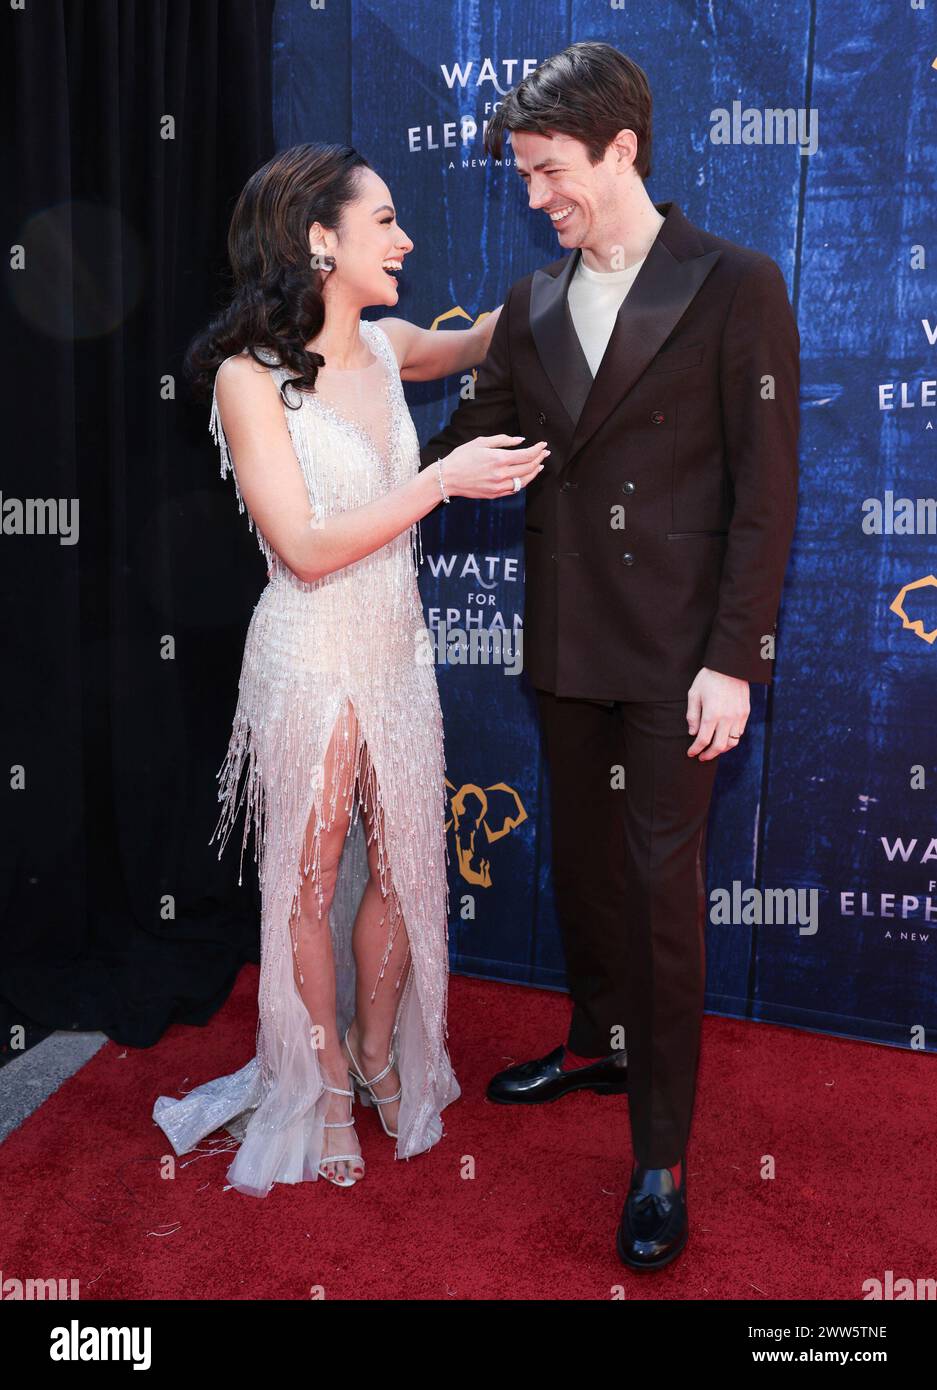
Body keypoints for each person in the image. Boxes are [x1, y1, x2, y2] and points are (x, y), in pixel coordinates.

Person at [420, 42, 800, 1267]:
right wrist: (336, 409)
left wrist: (734, 659)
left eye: (549, 171)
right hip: (569, 646)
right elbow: (468, 446)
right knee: (583, 872)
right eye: (525, 176)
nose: (534, 197)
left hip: (680, 660)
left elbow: (765, 492)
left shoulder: (736, 281)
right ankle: (595, 1043)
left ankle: (659, 1151)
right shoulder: (529, 306)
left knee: (658, 900)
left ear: (623, 147)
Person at [151, 142, 548, 1196]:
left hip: (396, 653)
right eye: (386, 222)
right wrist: (445, 480)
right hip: (312, 652)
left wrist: (593, 249)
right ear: (320, 240)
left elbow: (495, 337)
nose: (407, 240)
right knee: (313, 874)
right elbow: (306, 546)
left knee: (408, 864)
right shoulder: (249, 379)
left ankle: (376, 1050)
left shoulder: (390, 346)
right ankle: (325, 1081)